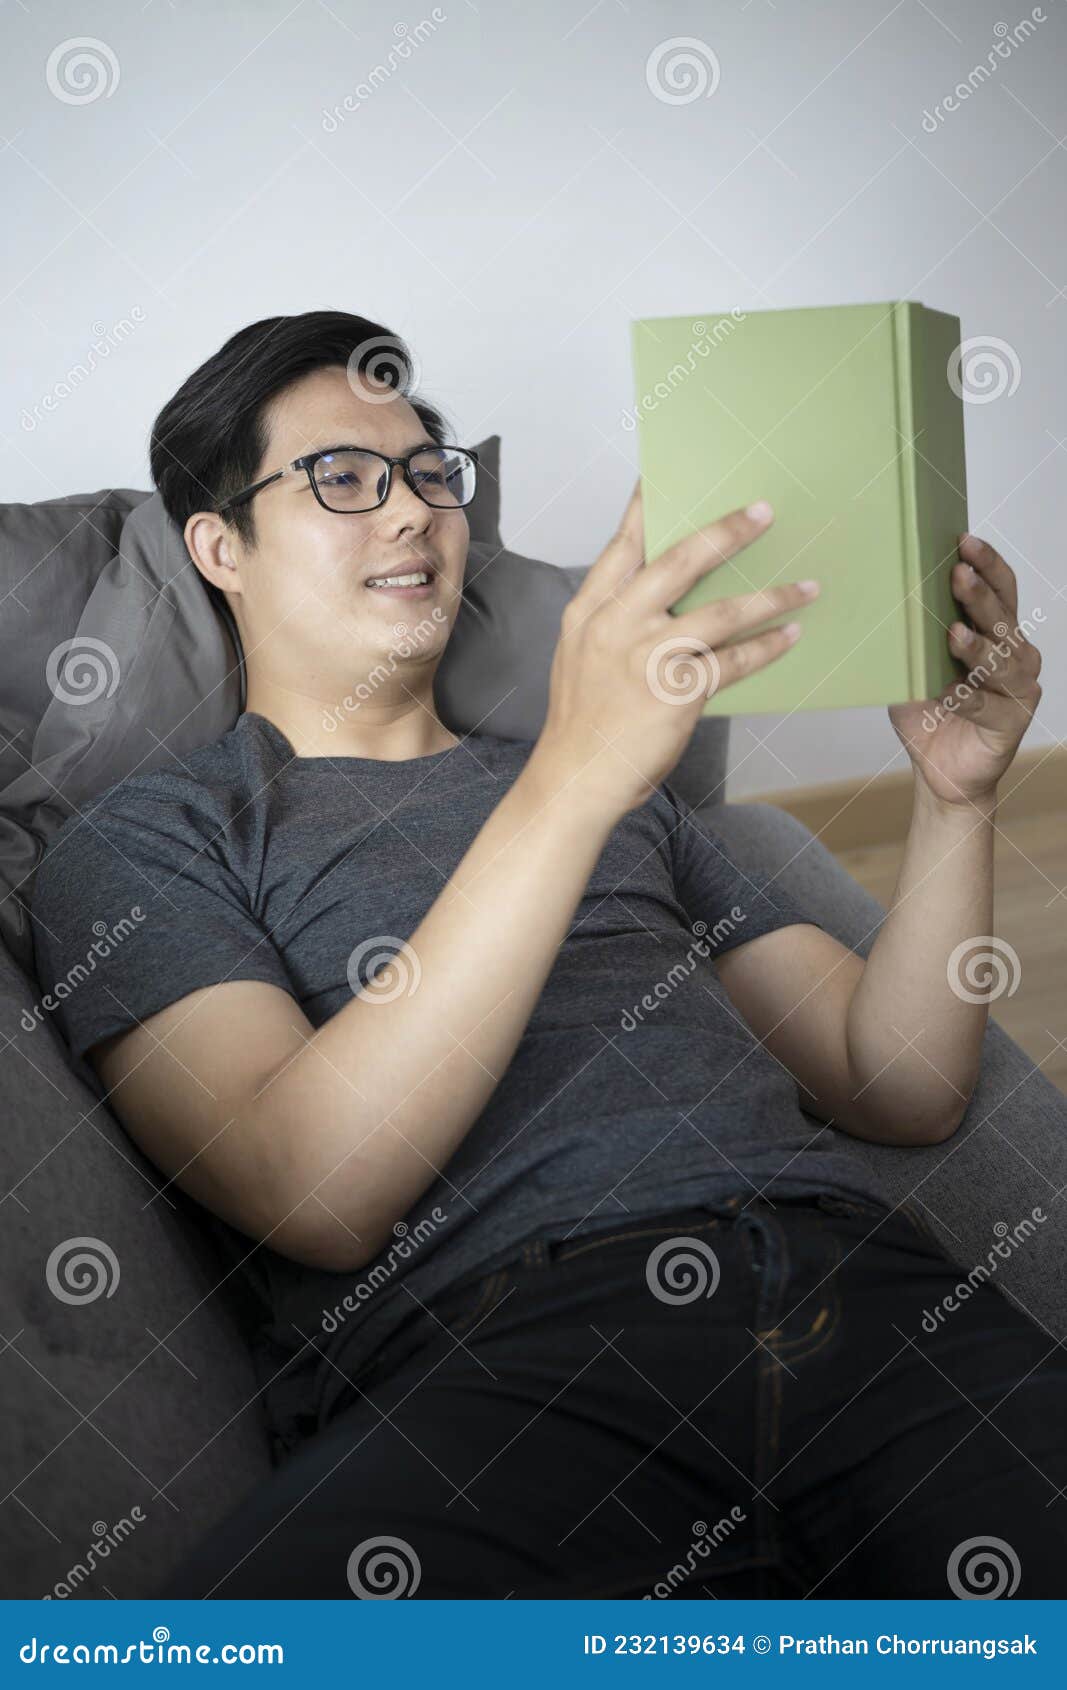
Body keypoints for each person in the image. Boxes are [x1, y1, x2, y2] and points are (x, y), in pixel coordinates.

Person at [30, 311, 1059, 1600]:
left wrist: (958, 798)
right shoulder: (153, 838)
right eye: (343, 478)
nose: (413, 512)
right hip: (508, 1353)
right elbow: (311, 1189)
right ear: (220, 546)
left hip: (858, 1293)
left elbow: (898, 1083)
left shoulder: (631, 794)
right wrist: (573, 778)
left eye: (430, 472)